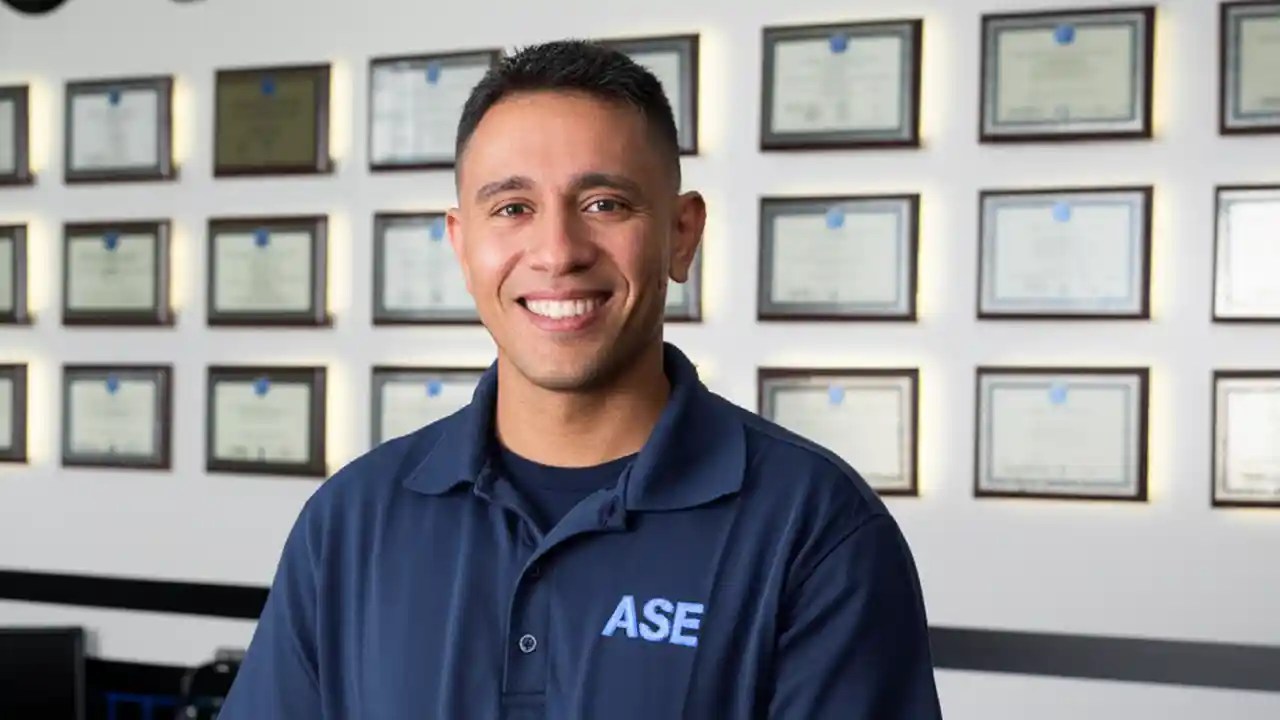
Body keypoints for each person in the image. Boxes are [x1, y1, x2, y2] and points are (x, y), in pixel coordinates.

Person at [219, 39, 942, 719]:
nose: (557, 251)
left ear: (681, 234)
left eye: (605, 204)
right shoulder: (352, 520)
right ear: (461, 244)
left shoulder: (814, 528)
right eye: (512, 208)